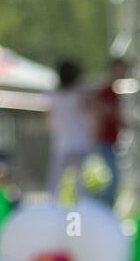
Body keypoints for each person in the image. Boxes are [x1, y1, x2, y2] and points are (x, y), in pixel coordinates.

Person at [47, 58, 94, 199]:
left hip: (63, 144)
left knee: (54, 185)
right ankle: (83, 210)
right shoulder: (79, 95)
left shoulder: (54, 96)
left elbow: (51, 119)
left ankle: (53, 209)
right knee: (81, 185)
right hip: (79, 143)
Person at [93, 57, 128, 208]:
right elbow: (103, 112)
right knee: (115, 177)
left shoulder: (112, 91)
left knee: (115, 177)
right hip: (105, 140)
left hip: (111, 140)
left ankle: (103, 206)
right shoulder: (106, 90)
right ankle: (100, 205)